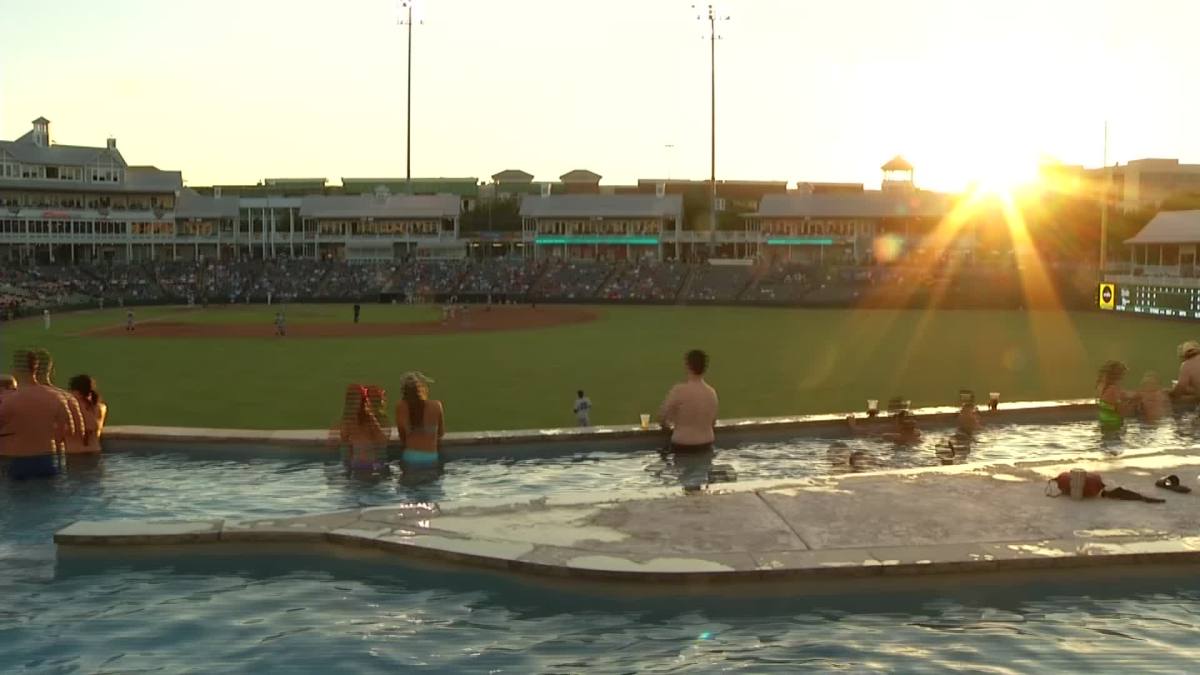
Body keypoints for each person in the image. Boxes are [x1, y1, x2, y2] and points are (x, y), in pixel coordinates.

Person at [0, 350, 74, 479]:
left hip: (17, 461)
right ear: (36, 368)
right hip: (47, 460)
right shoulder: (56, 397)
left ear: (16, 369)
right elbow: (69, 431)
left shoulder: (10, 399)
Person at [657, 349, 719, 453]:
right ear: (705, 368)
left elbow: (662, 417)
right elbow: (713, 422)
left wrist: (669, 425)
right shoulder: (711, 393)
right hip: (706, 445)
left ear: (687, 366)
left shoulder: (679, 391)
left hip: (682, 446)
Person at [394, 372, 445, 467]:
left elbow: (402, 437)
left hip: (410, 457)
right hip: (431, 457)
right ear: (423, 388)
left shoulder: (401, 407)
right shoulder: (436, 405)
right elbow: (441, 433)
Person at [337, 384, 388, 472]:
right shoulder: (369, 418)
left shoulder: (348, 420)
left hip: (356, 462)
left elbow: (344, 441)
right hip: (370, 461)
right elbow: (382, 438)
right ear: (365, 400)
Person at [64, 374, 107, 455]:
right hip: (95, 452)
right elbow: (95, 429)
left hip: (74, 454)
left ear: (76, 392)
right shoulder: (101, 408)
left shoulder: (69, 408)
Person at [1097, 360, 1136, 430]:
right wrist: (1133, 402)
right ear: (1119, 375)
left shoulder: (1103, 386)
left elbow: (1124, 394)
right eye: (1124, 374)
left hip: (1105, 424)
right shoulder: (1113, 390)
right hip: (1114, 426)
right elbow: (1122, 412)